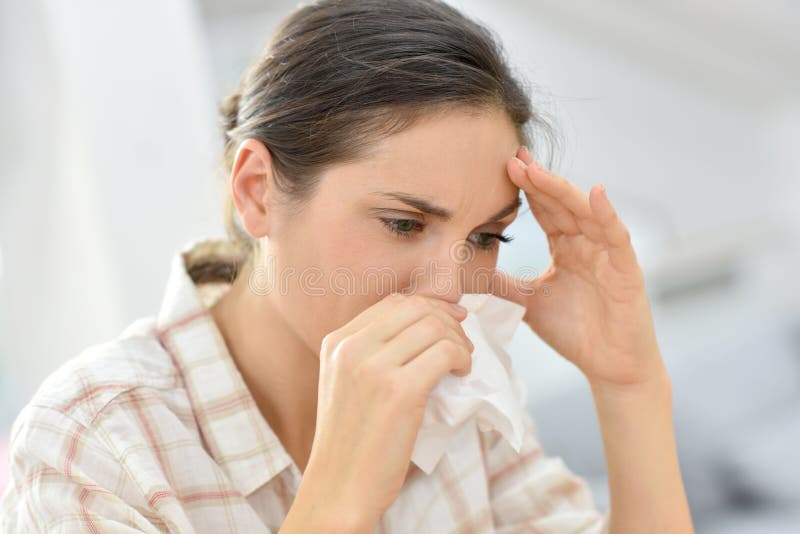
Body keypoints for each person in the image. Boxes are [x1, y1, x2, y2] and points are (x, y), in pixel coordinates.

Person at [0, 0, 694, 532]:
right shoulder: (92, 444)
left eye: (487, 237)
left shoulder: (465, 400)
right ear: (257, 192)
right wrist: (338, 497)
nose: (450, 288)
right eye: (403, 224)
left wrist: (629, 384)